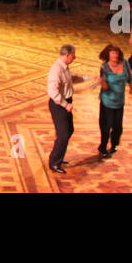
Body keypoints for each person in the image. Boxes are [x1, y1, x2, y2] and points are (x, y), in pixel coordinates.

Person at [46, 44, 85, 174]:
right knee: (63, 135)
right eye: (73, 55)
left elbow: (72, 78)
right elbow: (53, 92)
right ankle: (54, 162)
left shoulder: (65, 67)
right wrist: (65, 104)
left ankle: (58, 156)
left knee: (69, 130)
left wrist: (88, 78)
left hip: (66, 102)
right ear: (67, 55)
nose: (75, 57)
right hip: (58, 105)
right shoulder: (56, 70)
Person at [96, 44, 132, 158]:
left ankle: (114, 144)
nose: (115, 55)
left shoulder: (124, 63)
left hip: (119, 101)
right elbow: (104, 86)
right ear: (108, 54)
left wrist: (131, 86)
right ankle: (103, 147)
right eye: (112, 53)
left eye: (116, 53)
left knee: (118, 127)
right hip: (107, 102)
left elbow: (129, 76)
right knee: (106, 126)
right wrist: (102, 82)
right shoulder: (104, 67)